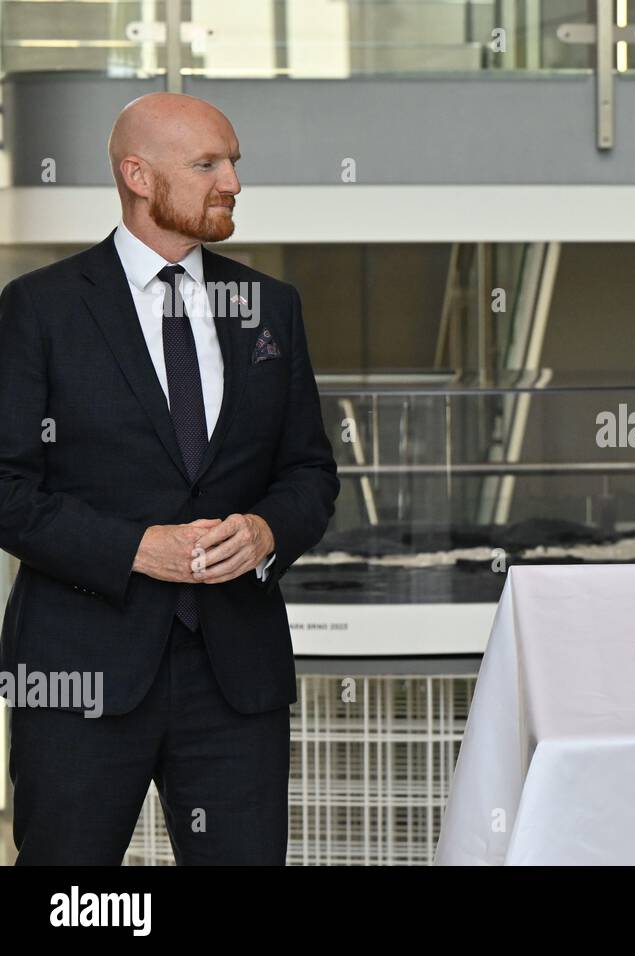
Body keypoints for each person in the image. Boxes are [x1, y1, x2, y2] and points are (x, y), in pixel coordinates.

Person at [0, 92, 339, 864]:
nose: (233, 183)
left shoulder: (270, 311)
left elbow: (310, 473)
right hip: (80, 678)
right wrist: (132, 548)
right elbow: (6, 489)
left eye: (234, 163)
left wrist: (265, 531)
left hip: (236, 680)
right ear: (138, 176)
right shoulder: (39, 310)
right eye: (208, 164)